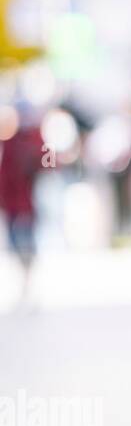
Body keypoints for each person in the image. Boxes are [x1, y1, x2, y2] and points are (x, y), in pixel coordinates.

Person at [0, 102, 45, 304]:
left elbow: (49, 161)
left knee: (26, 243)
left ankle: (27, 285)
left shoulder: (33, 138)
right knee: (14, 245)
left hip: (27, 202)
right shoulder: (8, 143)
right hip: (10, 204)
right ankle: (22, 284)